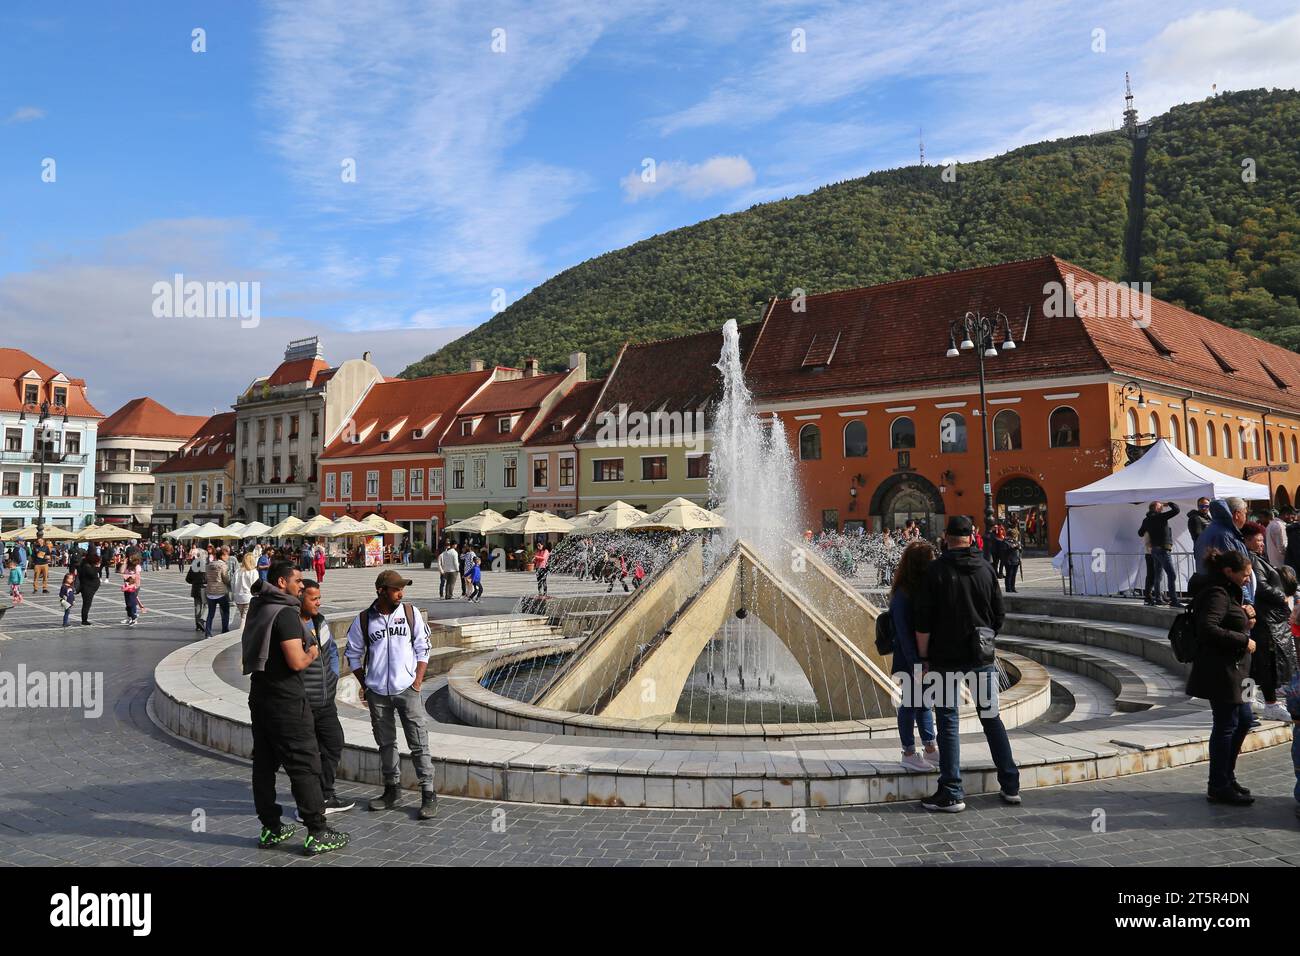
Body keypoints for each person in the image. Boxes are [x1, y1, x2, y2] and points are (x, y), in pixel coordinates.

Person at [913, 514, 1020, 812]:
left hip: (945, 659)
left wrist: (923, 658)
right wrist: (983, 638)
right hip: (981, 656)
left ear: (946, 538)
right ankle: (1010, 784)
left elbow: (923, 623)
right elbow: (999, 617)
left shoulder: (935, 572)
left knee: (948, 722)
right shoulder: (986, 569)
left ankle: (952, 791)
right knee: (991, 717)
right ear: (971, 537)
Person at [242, 560, 349, 854]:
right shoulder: (286, 613)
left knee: (264, 764)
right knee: (305, 763)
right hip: (286, 700)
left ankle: (271, 828)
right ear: (281, 583)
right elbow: (296, 661)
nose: (301, 585)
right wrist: (312, 649)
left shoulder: (260, 605)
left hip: (260, 695)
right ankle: (317, 830)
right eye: (297, 580)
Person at [344, 570, 437, 820]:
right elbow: (352, 654)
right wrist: (366, 683)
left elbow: (423, 647)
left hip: (407, 689)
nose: (401, 592)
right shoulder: (364, 619)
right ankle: (391, 790)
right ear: (381, 590)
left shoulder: (410, 613)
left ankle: (428, 793)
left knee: (419, 742)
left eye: (402, 588)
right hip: (378, 694)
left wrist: (417, 680)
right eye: (396, 589)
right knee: (385, 743)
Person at [1187, 549, 1257, 805]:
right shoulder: (1217, 592)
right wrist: (1243, 639)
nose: (1248, 579)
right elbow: (1207, 628)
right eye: (1245, 574)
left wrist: (1245, 617)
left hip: (1239, 670)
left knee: (1245, 719)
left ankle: (1227, 775)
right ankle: (1218, 784)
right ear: (1229, 572)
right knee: (1226, 724)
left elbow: (1226, 620)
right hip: (1222, 671)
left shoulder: (1228, 590)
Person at [295, 578, 354, 817]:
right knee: (306, 754)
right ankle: (306, 806)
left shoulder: (320, 621)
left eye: (319, 598)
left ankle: (326, 795)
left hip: (325, 698)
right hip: (303, 702)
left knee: (333, 742)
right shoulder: (291, 625)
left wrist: (332, 677)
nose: (319, 603)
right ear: (300, 598)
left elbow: (330, 651)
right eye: (313, 598)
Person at [890, 541, 941, 772]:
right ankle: (909, 752)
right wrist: (917, 663)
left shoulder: (920, 588)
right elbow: (902, 633)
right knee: (910, 704)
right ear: (920, 564)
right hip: (910, 660)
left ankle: (930, 748)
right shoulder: (902, 594)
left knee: (924, 703)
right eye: (930, 560)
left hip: (922, 659)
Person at [1242, 522, 1293, 721]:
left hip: (1262, 619)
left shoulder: (1254, 559)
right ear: (1247, 540)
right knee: (1264, 664)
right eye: (1259, 540)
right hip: (1265, 622)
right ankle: (1269, 704)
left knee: (1253, 664)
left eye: (1263, 540)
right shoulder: (1252, 561)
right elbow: (1261, 587)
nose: (1262, 543)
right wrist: (1282, 597)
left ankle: (1249, 703)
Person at [1194, 498, 1254, 604]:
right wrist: (1247, 602)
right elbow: (1237, 571)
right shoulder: (1225, 535)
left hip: (1215, 594)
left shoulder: (1212, 531)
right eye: (1245, 513)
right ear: (1237, 514)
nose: (1246, 518)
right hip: (1230, 598)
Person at [1138, 500, 1182, 607]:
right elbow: (1177, 510)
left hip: (1154, 550)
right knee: (1171, 575)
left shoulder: (1146, 520)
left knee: (1158, 575)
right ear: (1156, 508)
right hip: (1163, 549)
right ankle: (1174, 600)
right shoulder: (1160, 517)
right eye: (1160, 506)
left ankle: (1157, 598)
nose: (1162, 507)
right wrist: (1169, 503)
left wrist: (1149, 530)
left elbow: (1140, 533)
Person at [205, 546, 232, 638]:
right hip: (220, 592)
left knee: (210, 614)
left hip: (210, 592)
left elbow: (206, 578)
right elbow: (225, 578)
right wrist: (230, 582)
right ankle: (225, 630)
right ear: (222, 556)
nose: (228, 557)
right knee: (225, 611)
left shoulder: (209, 565)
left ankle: (208, 632)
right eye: (227, 555)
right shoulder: (223, 565)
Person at [232, 552, 259, 626]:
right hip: (248, 596)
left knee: (243, 616)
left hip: (238, 596)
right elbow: (255, 585)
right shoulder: (253, 572)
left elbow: (233, 584)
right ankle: (241, 633)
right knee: (244, 617)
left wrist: (234, 593)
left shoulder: (237, 571)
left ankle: (244, 631)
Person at [76, 553, 100, 625]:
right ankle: (84, 620)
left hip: (89, 587)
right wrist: (97, 567)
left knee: (87, 604)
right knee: (86, 604)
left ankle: (84, 619)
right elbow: (93, 575)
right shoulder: (87, 567)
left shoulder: (86, 565)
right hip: (87, 588)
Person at [186, 551, 207, 633]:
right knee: (206, 605)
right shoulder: (206, 566)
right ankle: (202, 620)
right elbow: (207, 578)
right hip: (204, 587)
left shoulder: (193, 566)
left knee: (197, 607)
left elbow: (187, 579)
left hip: (195, 588)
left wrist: (194, 582)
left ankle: (198, 625)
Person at [120, 555, 142, 627]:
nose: (129, 559)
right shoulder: (128, 566)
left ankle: (134, 617)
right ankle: (130, 617)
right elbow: (121, 571)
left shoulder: (137, 566)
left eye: (130, 558)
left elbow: (137, 576)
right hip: (127, 586)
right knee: (128, 603)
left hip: (134, 586)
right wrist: (124, 563)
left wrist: (129, 577)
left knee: (132, 602)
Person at [1002, 528, 1023, 593]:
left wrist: (1020, 548)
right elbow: (1005, 551)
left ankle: (1013, 587)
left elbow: (1020, 551)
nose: (1016, 537)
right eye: (1015, 535)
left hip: (1016, 560)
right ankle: (1008, 588)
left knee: (1014, 575)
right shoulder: (1005, 541)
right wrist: (1013, 547)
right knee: (1009, 575)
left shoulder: (1015, 541)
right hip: (1009, 561)